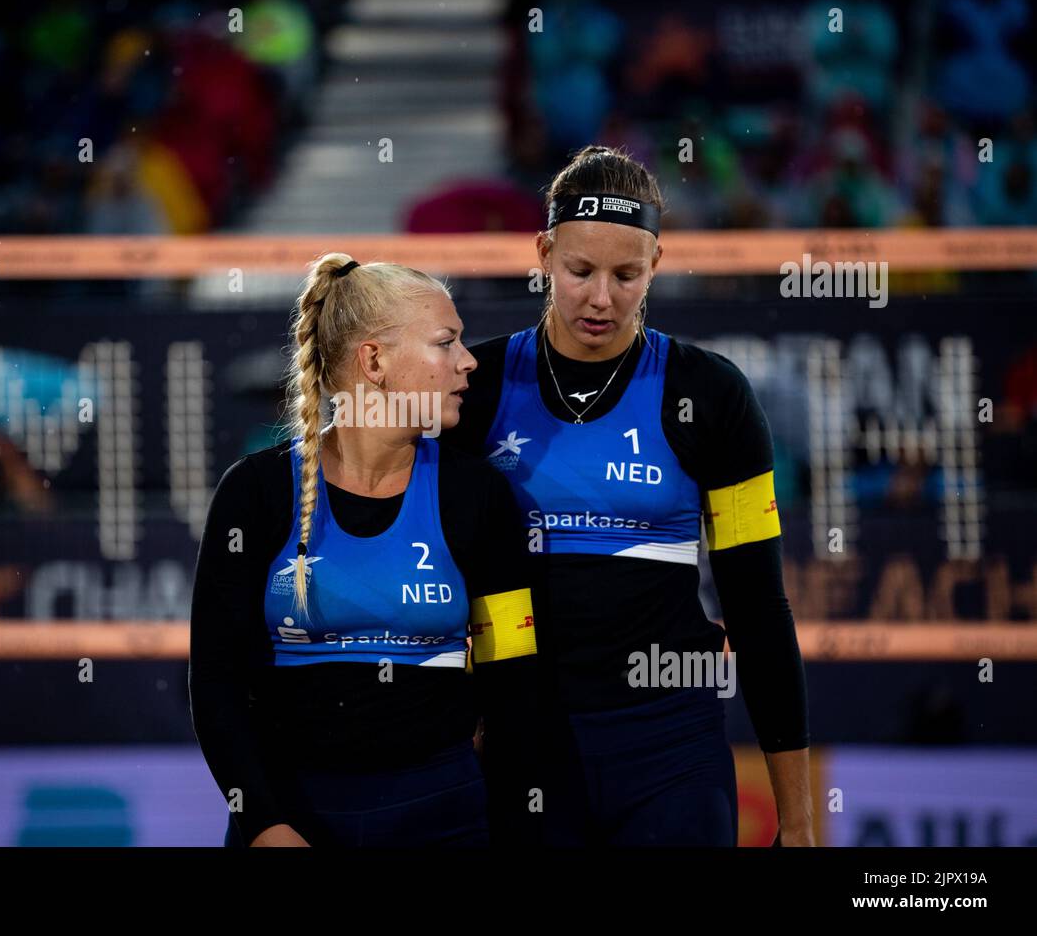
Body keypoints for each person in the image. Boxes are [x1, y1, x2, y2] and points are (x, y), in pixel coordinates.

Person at [441, 146, 814, 846]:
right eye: (579, 271)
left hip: (669, 742)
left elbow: (757, 606)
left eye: (627, 274)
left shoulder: (711, 394)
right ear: (544, 253)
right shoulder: (475, 385)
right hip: (526, 740)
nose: (601, 298)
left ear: (657, 267)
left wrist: (796, 821)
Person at [190, 253, 540, 847]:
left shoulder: (477, 494)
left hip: (443, 813)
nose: (469, 361)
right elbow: (216, 683)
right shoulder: (254, 493)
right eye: (445, 343)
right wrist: (266, 825)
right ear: (374, 361)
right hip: (290, 814)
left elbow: (514, 672)